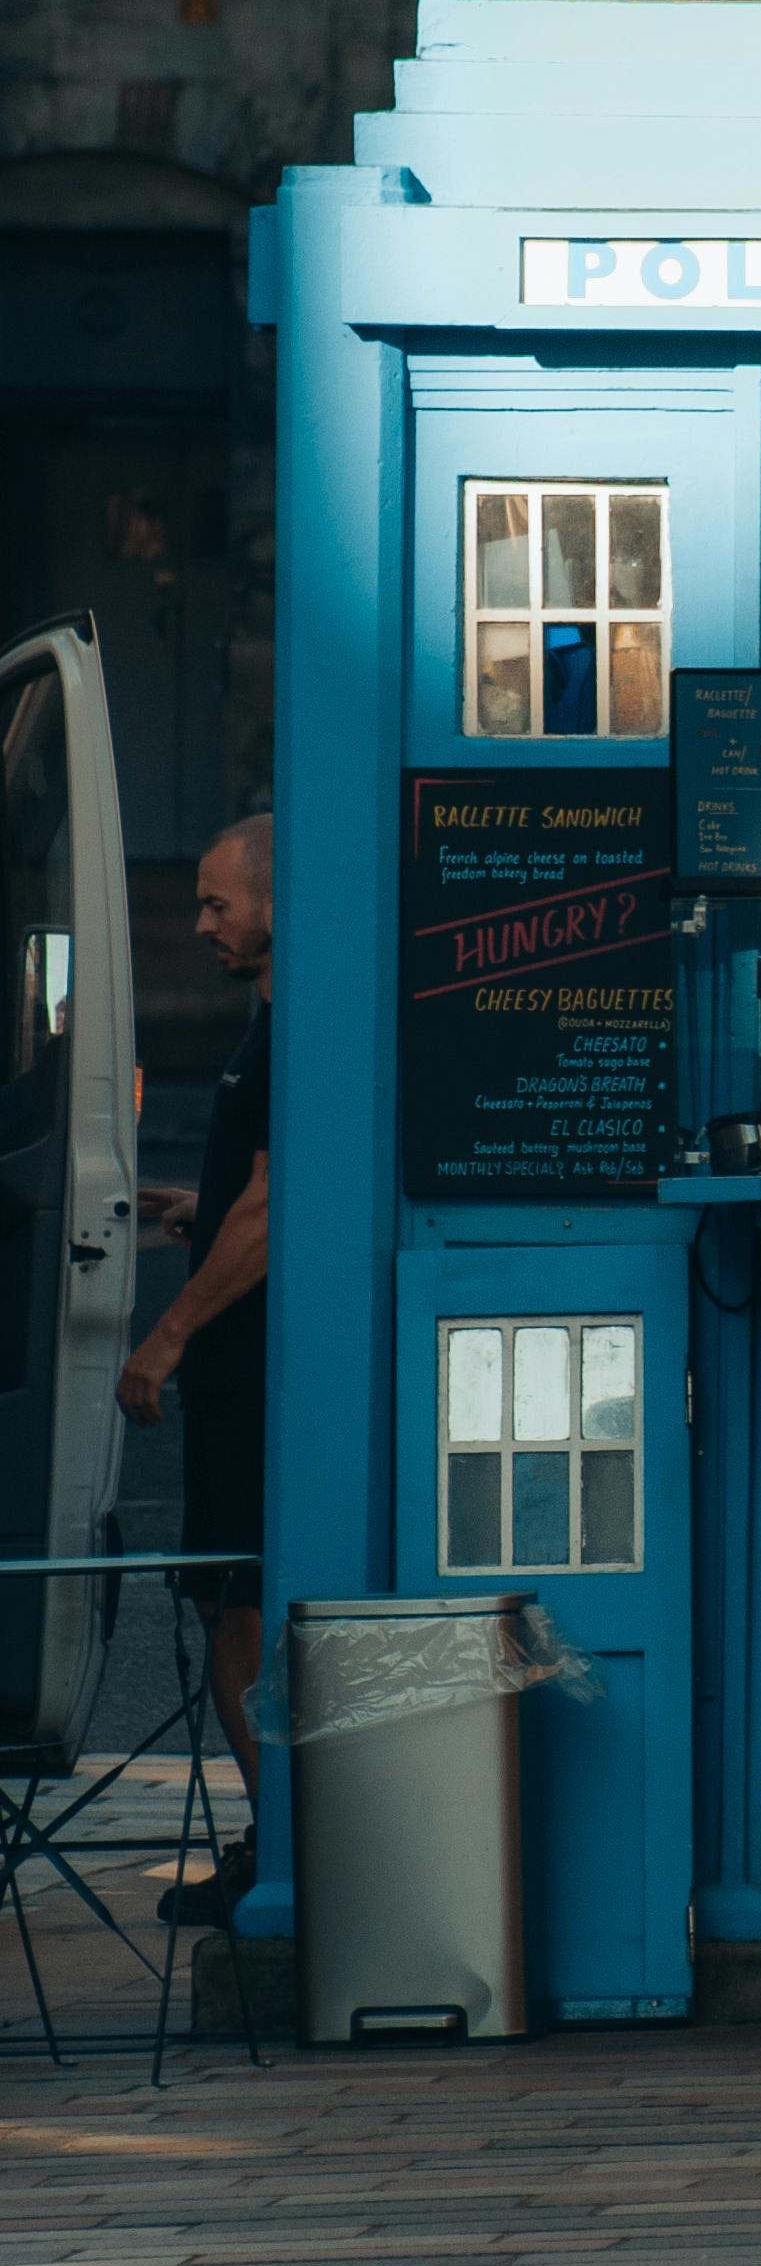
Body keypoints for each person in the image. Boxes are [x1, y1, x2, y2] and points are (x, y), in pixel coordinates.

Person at [117, 812, 273, 1925]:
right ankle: (285, 1839)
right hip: (257, 1363)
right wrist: (196, 1209)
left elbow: (274, 1212)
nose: (203, 921)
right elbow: (245, 1204)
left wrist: (166, 1334)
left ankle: (285, 1852)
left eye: (219, 902)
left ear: (279, 905)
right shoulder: (268, 1025)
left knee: (237, 1611)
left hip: (249, 1370)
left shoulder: (287, 1026)